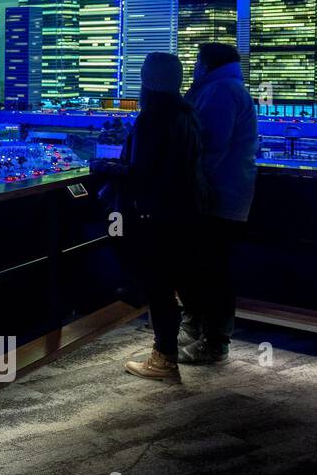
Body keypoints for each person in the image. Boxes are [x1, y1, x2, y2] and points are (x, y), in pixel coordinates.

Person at [93, 52, 206, 381]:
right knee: (170, 284)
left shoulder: (152, 119)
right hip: (183, 214)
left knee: (158, 287)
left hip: (154, 218)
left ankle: (164, 359)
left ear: (146, 81)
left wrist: (103, 167)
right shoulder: (186, 115)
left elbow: (140, 173)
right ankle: (167, 353)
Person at [179, 43, 258, 365]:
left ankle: (213, 340)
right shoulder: (231, 87)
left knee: (211, 270)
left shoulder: (220, 91)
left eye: (197, 62)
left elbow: (209, 145)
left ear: (206, 64)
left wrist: (189, 182)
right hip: (225, 195)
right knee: (207, 267)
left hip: (216, 197)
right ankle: (202, 330)